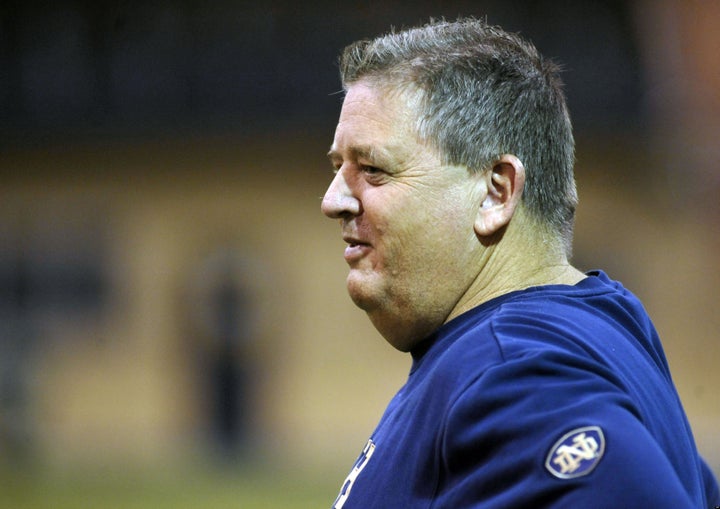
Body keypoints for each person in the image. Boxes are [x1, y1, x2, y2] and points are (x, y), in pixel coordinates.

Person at [320, 17, 720, 509]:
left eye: (373, 169)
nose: (333, 200)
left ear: (496, 193)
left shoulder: (515, 370)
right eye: (338, 168)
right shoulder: (600, 325)